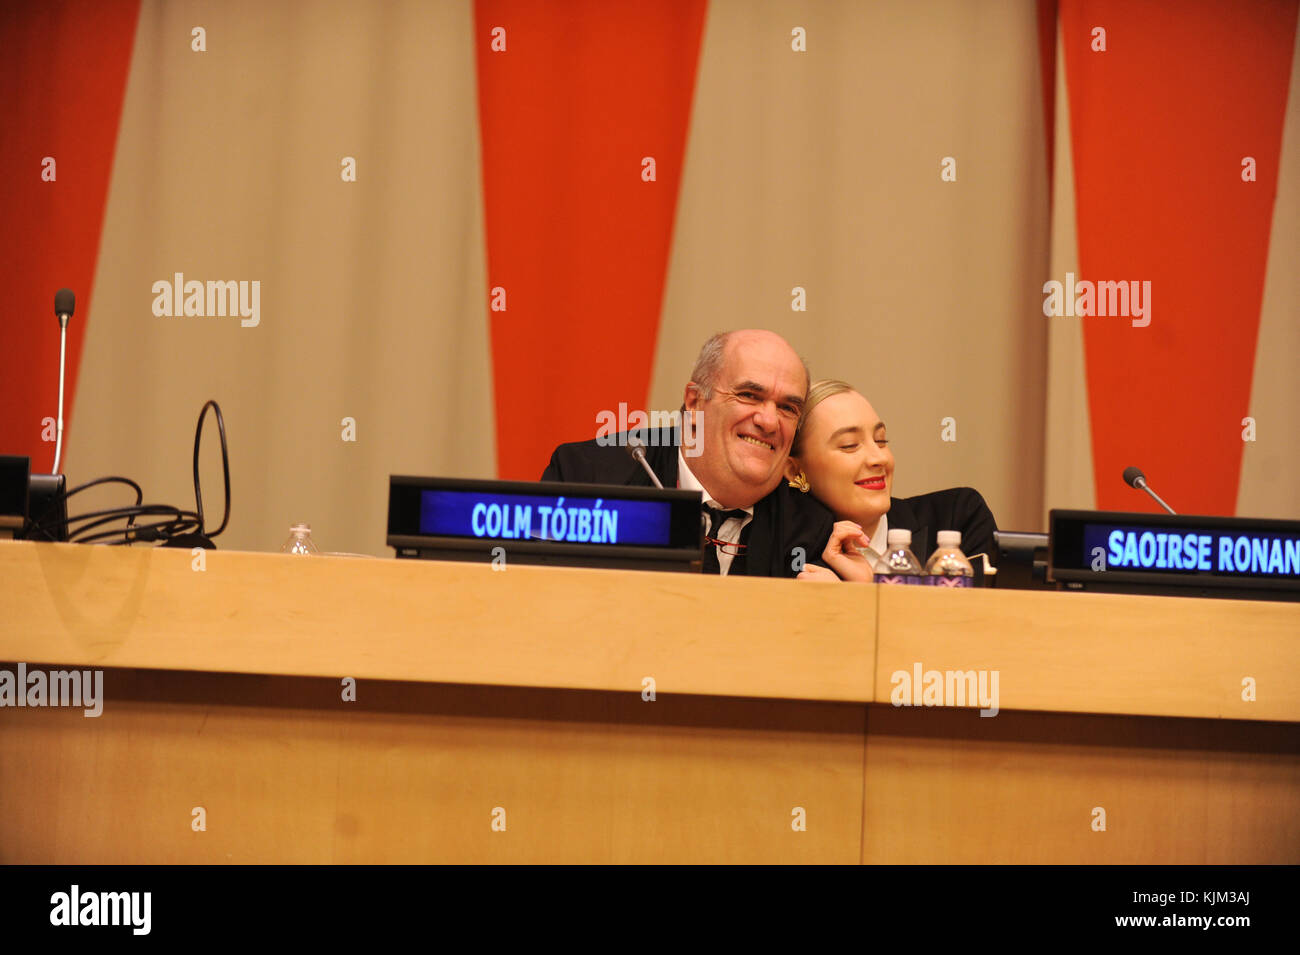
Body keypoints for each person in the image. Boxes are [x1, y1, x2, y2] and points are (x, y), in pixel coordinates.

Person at [541, 330, 837, 578]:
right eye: (748, 396)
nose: (769, 422)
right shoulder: (589, 481)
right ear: (695, 402)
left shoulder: (810, 530)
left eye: (787, 408)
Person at [783, 379, 997, 582]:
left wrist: (864, 596)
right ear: (794, 470)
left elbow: (982, 618)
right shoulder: (790, 554)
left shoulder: (956, 518)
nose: (879, 458)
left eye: (881, 440)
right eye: (849, 445)